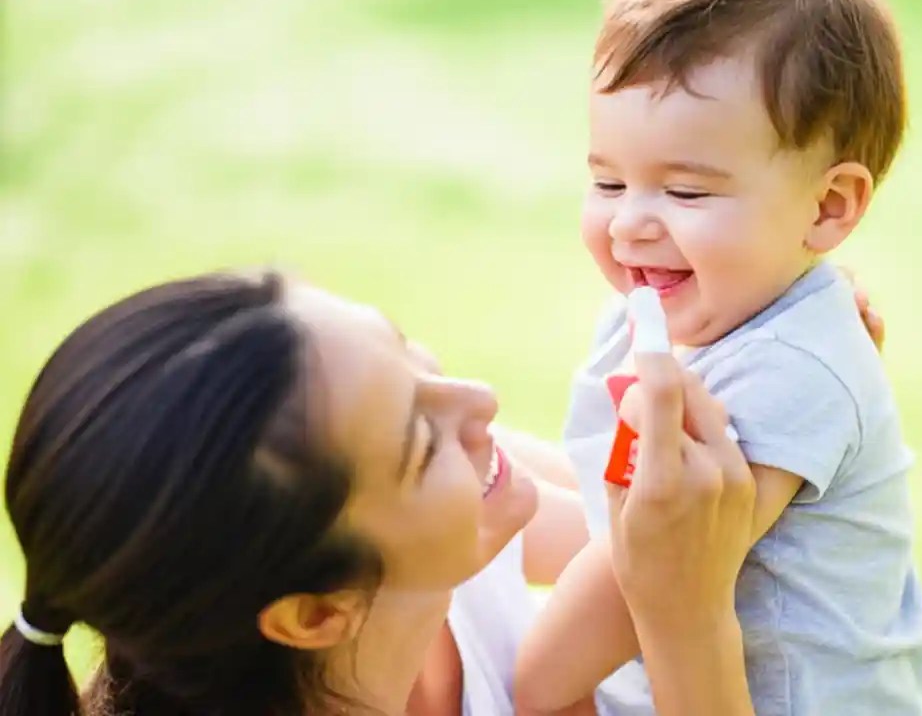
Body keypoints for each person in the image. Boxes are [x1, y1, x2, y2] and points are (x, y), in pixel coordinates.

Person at [0, 270, 775, 715]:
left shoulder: (458, 532)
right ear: (316, 613)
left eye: (403, 347)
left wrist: (772, 352)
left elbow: (676, 522)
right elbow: (672, 575)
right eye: (419, 442)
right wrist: (688, 629)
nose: (478, 402)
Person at [514, 0, 922, 714]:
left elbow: (646, 572)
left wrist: (522, 684)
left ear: (828, 207)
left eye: (685, 190)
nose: (630, 224)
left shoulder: (795, 370)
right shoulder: (655, 314)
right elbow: (598, 524)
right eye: (608, 182)